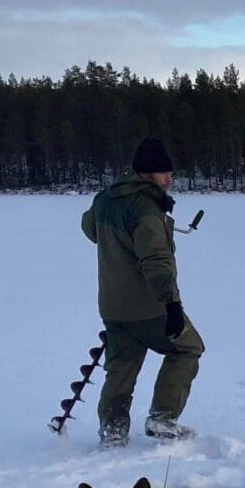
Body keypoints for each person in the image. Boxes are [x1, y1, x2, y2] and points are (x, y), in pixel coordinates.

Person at [82, 137, 204, 446]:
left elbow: (89, 228)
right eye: (164, 173)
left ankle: (113, 430)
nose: (169, 179)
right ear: (148, 174)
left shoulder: (105, 199)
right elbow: (156, 261)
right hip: (149, 306)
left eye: (171, 173)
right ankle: (163, 417)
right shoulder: (146, 208)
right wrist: (171, 304)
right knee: (188, 348)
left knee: (121, 366)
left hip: (113, 305)